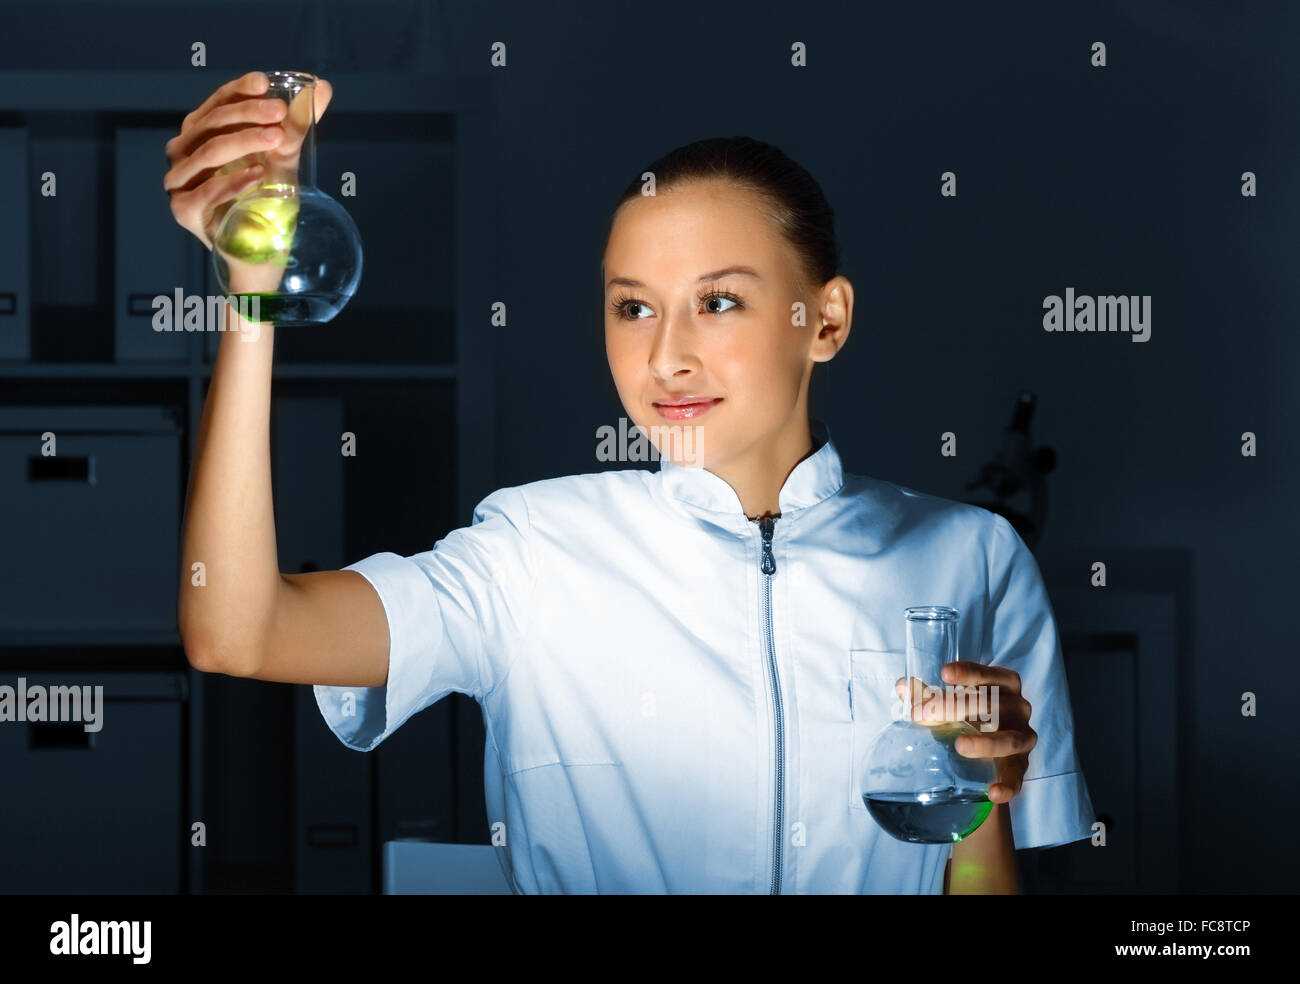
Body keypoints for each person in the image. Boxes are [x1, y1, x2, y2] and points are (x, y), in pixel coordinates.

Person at [169, 71, 1096, 895]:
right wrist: (250, 296)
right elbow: (238, 630)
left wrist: (984, 792)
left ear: (826, 319)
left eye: (719, 302)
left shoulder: (974, 557)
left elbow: (974, 871)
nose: (666, 356)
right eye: (633, 307)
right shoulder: (530, 553)